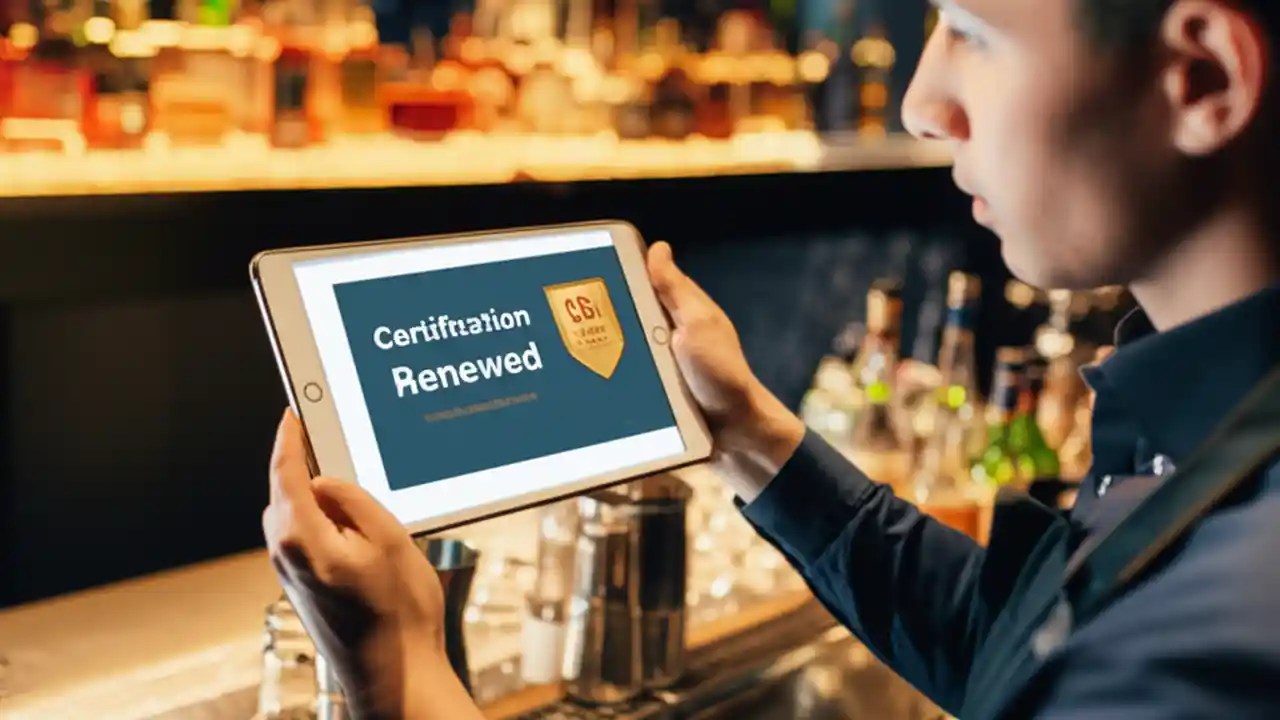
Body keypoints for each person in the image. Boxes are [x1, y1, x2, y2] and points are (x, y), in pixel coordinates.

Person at [263, 0, 1280, 717]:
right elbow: (1022, 653)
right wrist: (744, 433)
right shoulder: (1210, 419)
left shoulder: (1209, 646)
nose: (922, 101)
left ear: (1200, 78)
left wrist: (399, 670)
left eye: (970, 32)